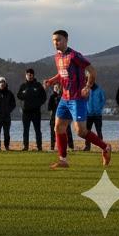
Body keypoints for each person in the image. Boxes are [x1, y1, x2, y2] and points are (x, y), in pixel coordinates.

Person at [43, 28, 111, 169]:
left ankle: (105, 147)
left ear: (66, 40)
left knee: (80, 131)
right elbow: (62, 75)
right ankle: (63, 160)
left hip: (77, 99)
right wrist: (51, 81)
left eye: (58, 40)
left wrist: (87, 86)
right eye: (54, 40)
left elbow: (92, 71)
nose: (56, 42)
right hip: (64, 98)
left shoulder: (75, 56)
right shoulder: (57, 57)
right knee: (58, 127)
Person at [17, 67, 46, 151]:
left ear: (33, 75)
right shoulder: (23, 86)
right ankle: (25, 147)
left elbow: (43, 97)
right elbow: (18, 95)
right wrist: (24, 95)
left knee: (37, 130)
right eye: (28, 75)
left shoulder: (38, 85)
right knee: (26, 130)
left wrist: (38, 104)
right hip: (26, 112)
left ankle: (39, 147)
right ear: (26, 76)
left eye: (31, 75)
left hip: (36, 112)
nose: (29, 76)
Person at [0, 77, 16, 151]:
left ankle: (7, 146)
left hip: (7, 117)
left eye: (3, 82)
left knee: (6, 133)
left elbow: (13, 104)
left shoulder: (9, 93)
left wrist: (8, 110)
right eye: (0, 82)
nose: (2, 83)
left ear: (5, 83)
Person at [47, 83, 72, 151]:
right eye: (55, 87)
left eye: (58, 87)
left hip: (64, 116)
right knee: (53, 132)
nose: (57, 88)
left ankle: (71, 146)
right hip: (54, 116)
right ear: (54, 88)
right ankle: (52, 147)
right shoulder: (52, 96)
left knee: (67, 131)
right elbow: (49, 107)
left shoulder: (64, 96)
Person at [83, 80, 105, 151]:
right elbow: (83, 100)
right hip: (88, 114)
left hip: (97, 114)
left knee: (99, 131)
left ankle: (102, 147)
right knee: (87, 131)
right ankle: (87, 147)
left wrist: (99, 109)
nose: (88, 83)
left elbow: (103, 100)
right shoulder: (86, 90)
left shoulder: (99, 90)